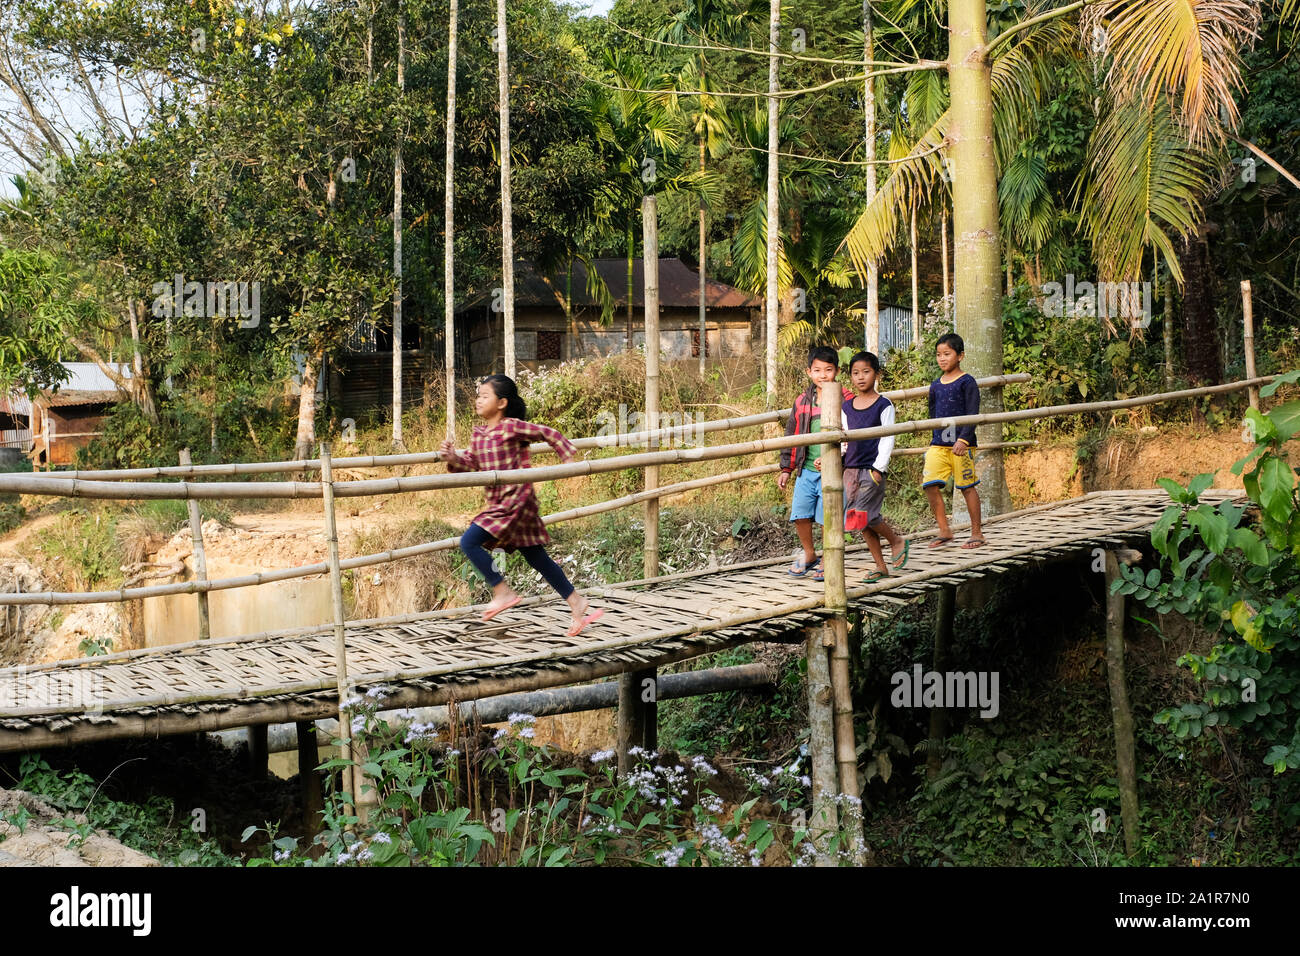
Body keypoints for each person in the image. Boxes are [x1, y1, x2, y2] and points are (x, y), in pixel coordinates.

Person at [440, 375, 605, 636]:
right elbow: (472, 462)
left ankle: (502, 590)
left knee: (469, 541)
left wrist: (567, 456)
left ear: (502, 402)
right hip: (500, 502)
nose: (479, 400)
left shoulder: (511, 427)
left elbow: (546, 432)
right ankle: (577, 602)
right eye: (478, 395)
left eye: (485, 396)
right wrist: (453, 457)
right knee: (535, 555)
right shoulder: (480, 434)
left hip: (516, 501)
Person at [778, 345, 853, 582]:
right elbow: (792, 434)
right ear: (809, 372)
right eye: (817, 370)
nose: (823, 375)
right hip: (806, 470)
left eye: (828, 370)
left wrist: (835, 457)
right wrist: (786, 468)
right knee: (800, 514)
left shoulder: (847, 399)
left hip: (834, 471)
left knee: (826, 517)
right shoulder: (802, 401)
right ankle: (810, 554)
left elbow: (852, 434)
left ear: (837, 371)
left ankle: (828, 559)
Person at [840, 350, 909, 580]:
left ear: (877, 374)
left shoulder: (883, 405)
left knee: (865, 515)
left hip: (872, 468)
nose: (861, 377)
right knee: (859, 520)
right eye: (856, 373)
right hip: (850, 469)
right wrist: (838, 462)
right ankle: (880, 565)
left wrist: (879, 468)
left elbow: (888, 439)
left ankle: (895, 540)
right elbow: (845, 438)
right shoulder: (846, 407)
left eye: (866, 372)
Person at [922, 333, 985, 549]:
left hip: (962, 445)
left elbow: (973, 413)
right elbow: (933, 414)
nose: (942, 358)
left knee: (967, 487)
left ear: (960, 356)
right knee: (930, 484)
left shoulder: (967, 382)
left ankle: (977, 533)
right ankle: (944, 530)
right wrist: (934, 438)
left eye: (947, 354)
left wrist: (964, 440)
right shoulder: (936, 385)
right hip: (939, 444)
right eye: (939, 354)